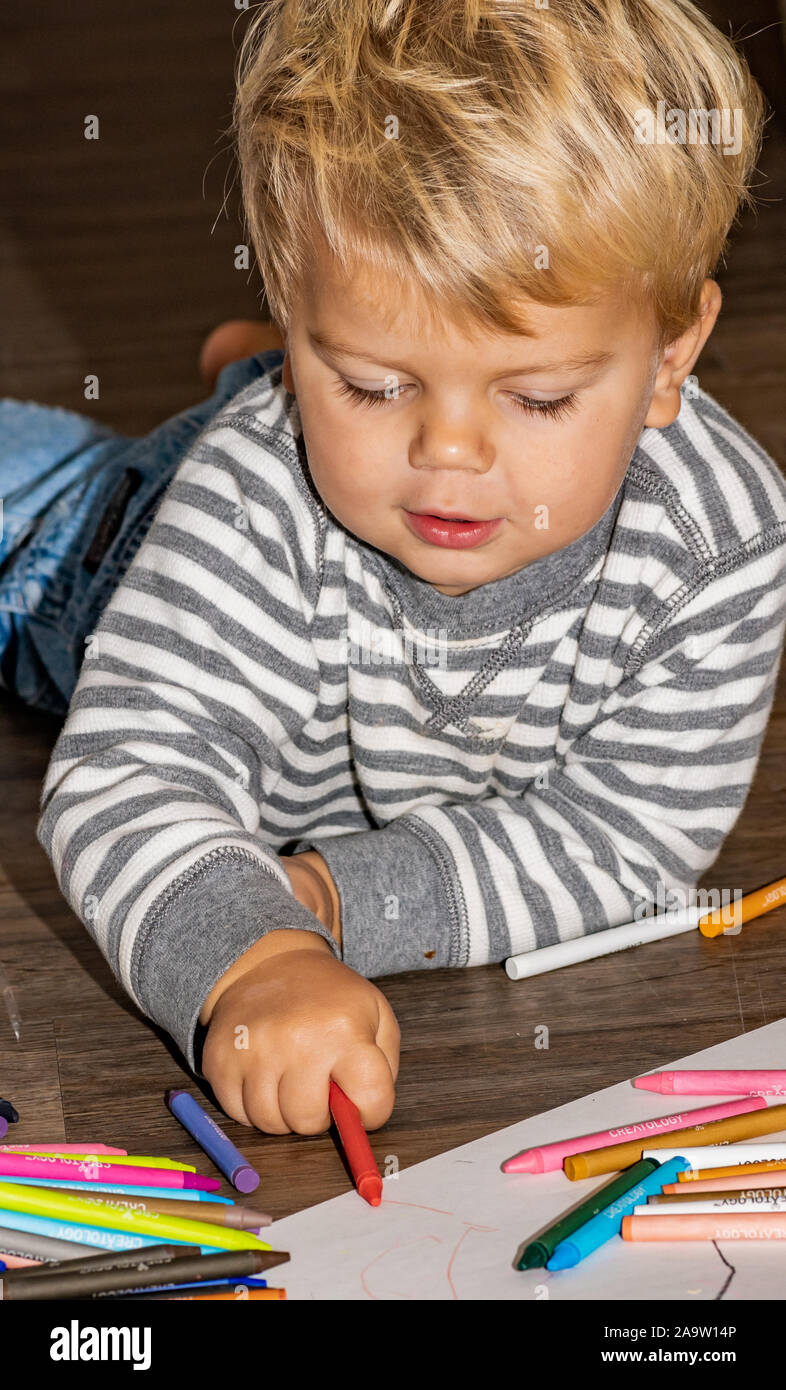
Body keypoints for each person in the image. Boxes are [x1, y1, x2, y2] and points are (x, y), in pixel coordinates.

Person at [5, 1, 785, 1136]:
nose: (451, 454)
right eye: (376, 382)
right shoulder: (253, 499)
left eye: (537, 396)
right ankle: (245, 391)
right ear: (295, 302)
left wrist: (330, 899)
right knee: (65, 500)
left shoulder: (721, 543)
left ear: (671, 356)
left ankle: (275, 372)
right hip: (92, 558)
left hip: (289, 483)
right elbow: (129, 768)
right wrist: (250, 954)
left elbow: (625, 836)